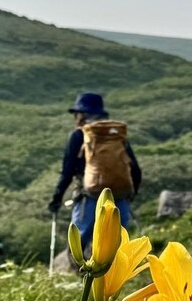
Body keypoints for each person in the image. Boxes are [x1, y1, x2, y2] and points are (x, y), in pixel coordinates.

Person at [48, 91, 142, 255]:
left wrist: (56, 198)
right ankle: (110, 277)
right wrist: (131, 193)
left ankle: (81, 275)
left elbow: (67, 171)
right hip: (119, 196)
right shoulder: (116, 136)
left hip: (89, 195)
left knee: (78, 242)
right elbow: (135, 169)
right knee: (115, 242)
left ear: (82, 115)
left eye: (76, 114)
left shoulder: (79, 135)